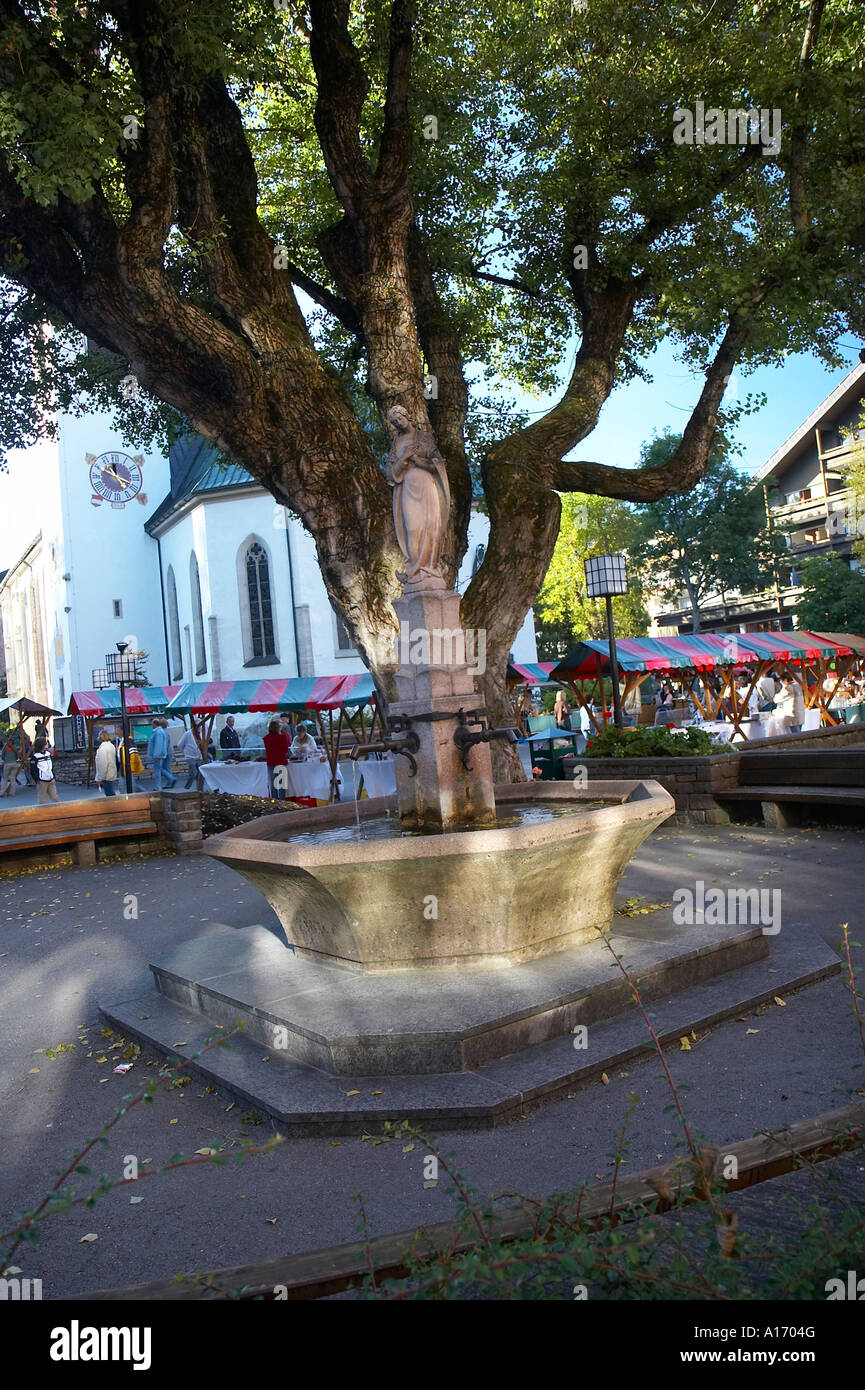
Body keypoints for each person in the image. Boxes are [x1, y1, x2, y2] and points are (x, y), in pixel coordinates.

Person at [264, 718, 291, 799]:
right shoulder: (282, 737)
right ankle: (282, 801)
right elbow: (286, 749)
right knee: (282, 784)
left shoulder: (266, 738)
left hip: (271, 762)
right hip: (281, 761)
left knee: (272, 784)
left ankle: (274, 801)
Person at [146, 718, 176, 791]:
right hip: (163, 754)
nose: (151, 725)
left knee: (158, 770)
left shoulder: (158, 732)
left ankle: (166, 782)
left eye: (152, 724)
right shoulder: (161, 732)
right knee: (161, 769)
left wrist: (156, 755)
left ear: (155, 724)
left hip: (159, 755)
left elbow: (158, 744)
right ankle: (169, 780)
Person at [31, 736, 60, 805]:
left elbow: (51, 766)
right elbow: (32, 769)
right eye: (46, 743)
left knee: (55, 798)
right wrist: (36, 780)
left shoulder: (48, 754)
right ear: (42, 745)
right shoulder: (35, 756)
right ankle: (41, 814)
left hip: (51, 778)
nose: (47, 744)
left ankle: (59, 812)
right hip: (42, 780)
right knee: (42, 800)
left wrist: (53, 775)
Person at [94, 728, 119, 796]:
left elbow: (103, 764)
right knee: (111, 793)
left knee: (110, 795)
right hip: (111, 773)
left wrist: (100, 777)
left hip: (106, 776)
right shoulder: (111, 746)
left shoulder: (102, 748)